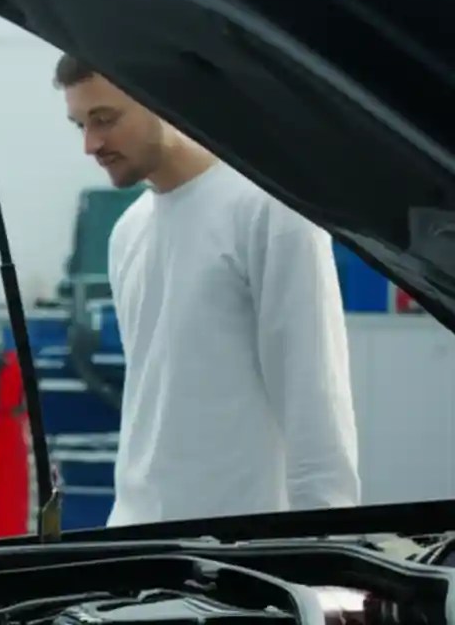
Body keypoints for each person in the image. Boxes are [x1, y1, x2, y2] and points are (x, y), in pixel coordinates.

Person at [52, 53, 361, 528]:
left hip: (243, 551)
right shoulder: (128, 232)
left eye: (105, 119)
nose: (91, 144)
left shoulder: (269, 211)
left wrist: (326, 546)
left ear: (163, 101)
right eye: (79, 126)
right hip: (138, 540)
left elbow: (315, 399)